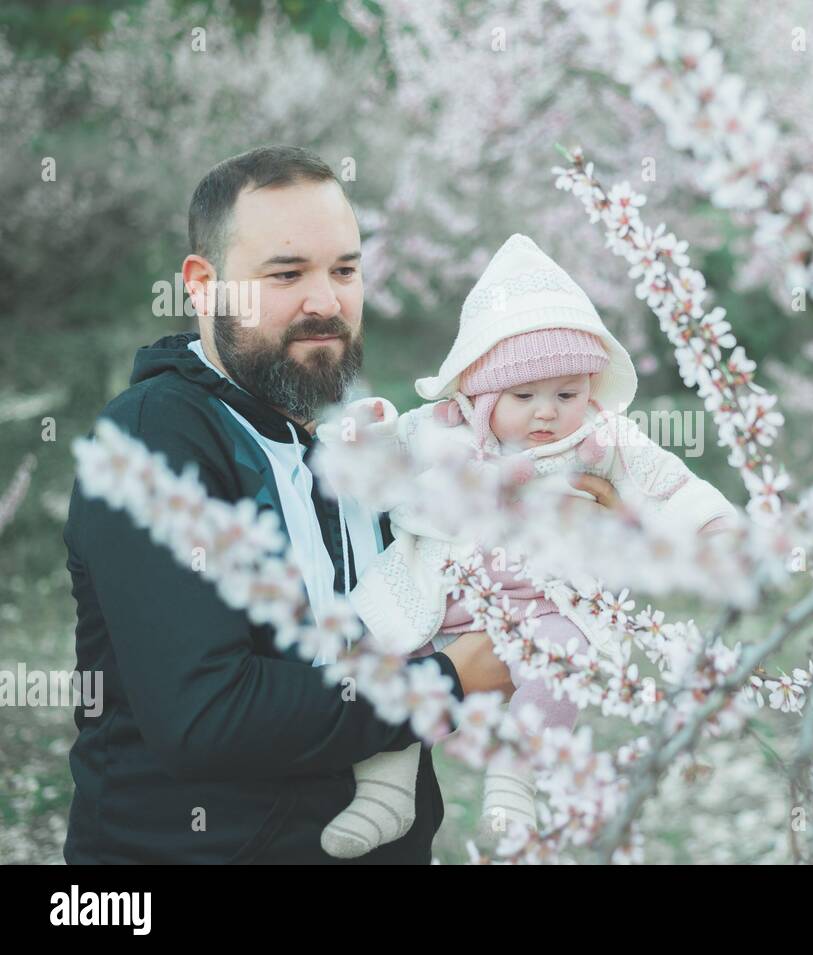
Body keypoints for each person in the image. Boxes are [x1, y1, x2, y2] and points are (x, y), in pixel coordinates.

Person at [61, 146, 621, 863]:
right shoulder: (153, 442)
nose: (325, 301)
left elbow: (449, 577)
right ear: (204, 287)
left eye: (345, 270)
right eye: (287, 273)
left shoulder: (366, 441)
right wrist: (447, 680)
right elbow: (206, 717)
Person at [315, 234, 738, 857]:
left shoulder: (599, 440)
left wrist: (714, 530)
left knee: (563, 665)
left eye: (566, 394)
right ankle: (385, 795)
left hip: (548, 601)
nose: (547, 413)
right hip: (442, 589)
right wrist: (361, 430)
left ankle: (515, 787)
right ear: (482, 396)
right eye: (524, 397)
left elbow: (668, 483)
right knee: (385, 656)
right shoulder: (444, 431)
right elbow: (384, 448)